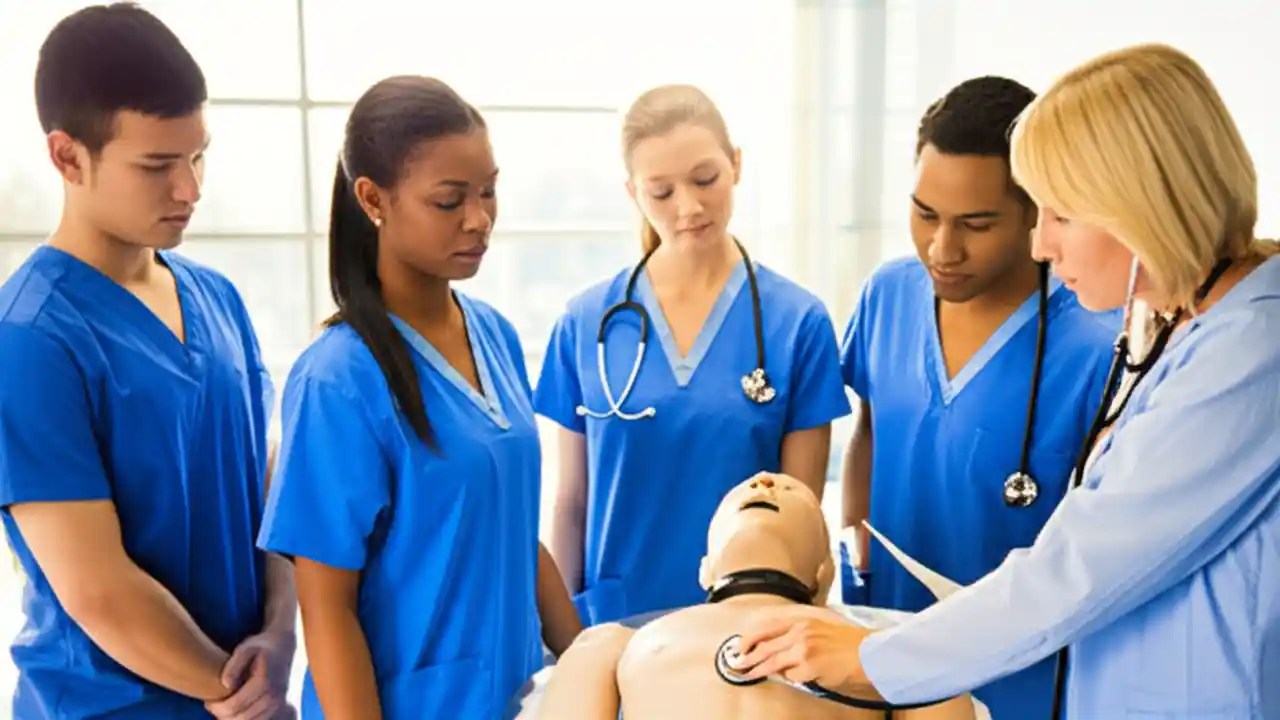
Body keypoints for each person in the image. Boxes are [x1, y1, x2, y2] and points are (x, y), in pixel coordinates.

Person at [735, 43, 1280, 719]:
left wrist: (867, 658)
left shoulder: (1256, 351)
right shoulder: (1191, 334)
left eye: (1059, 214)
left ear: (1141, 205)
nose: (1042, 243)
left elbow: (1082, 566)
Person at [0, 4, 296, 718]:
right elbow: (98, 591)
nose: (190, 188)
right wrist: (239, 695)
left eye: (198, 156)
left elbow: (268, 493)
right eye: (157, 165)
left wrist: (283, 633)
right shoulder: (30, 338)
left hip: (240, 691)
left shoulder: (218, 300)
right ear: (68, 156)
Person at [256, 75, 581, 720]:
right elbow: (327, 609)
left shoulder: (495, 335)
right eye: (448, 200)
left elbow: (515, 534)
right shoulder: (338, 378)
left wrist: (595, 665)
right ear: (373, 199)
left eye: (489, 191)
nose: (479, 218)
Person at [837, 75, 1118, 717]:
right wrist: (854, 532)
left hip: (1019, 671)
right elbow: (871, 425)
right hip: (884, 644)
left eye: (977, 224)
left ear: (1036, 211)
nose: (943, 249)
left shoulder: (1097, 338)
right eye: (925, 214)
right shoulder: (888, 294)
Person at [534, 84, 851, 627]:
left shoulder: (797, 323)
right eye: (661, 191)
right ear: (633, 193)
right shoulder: (585, 323)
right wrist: (564, 646)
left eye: (705, 179)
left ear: (736, 165)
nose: (689, 206)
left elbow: (803, 516)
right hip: (614, 624)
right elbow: (571, 504)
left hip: (747, 631)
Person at [525, 472, 978, 720]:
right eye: (744, 490)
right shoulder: (610, 648)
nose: (763, 481)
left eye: (792, 492)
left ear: (824, 574)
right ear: (705, 569)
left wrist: (914, 663)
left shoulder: (891, 652)